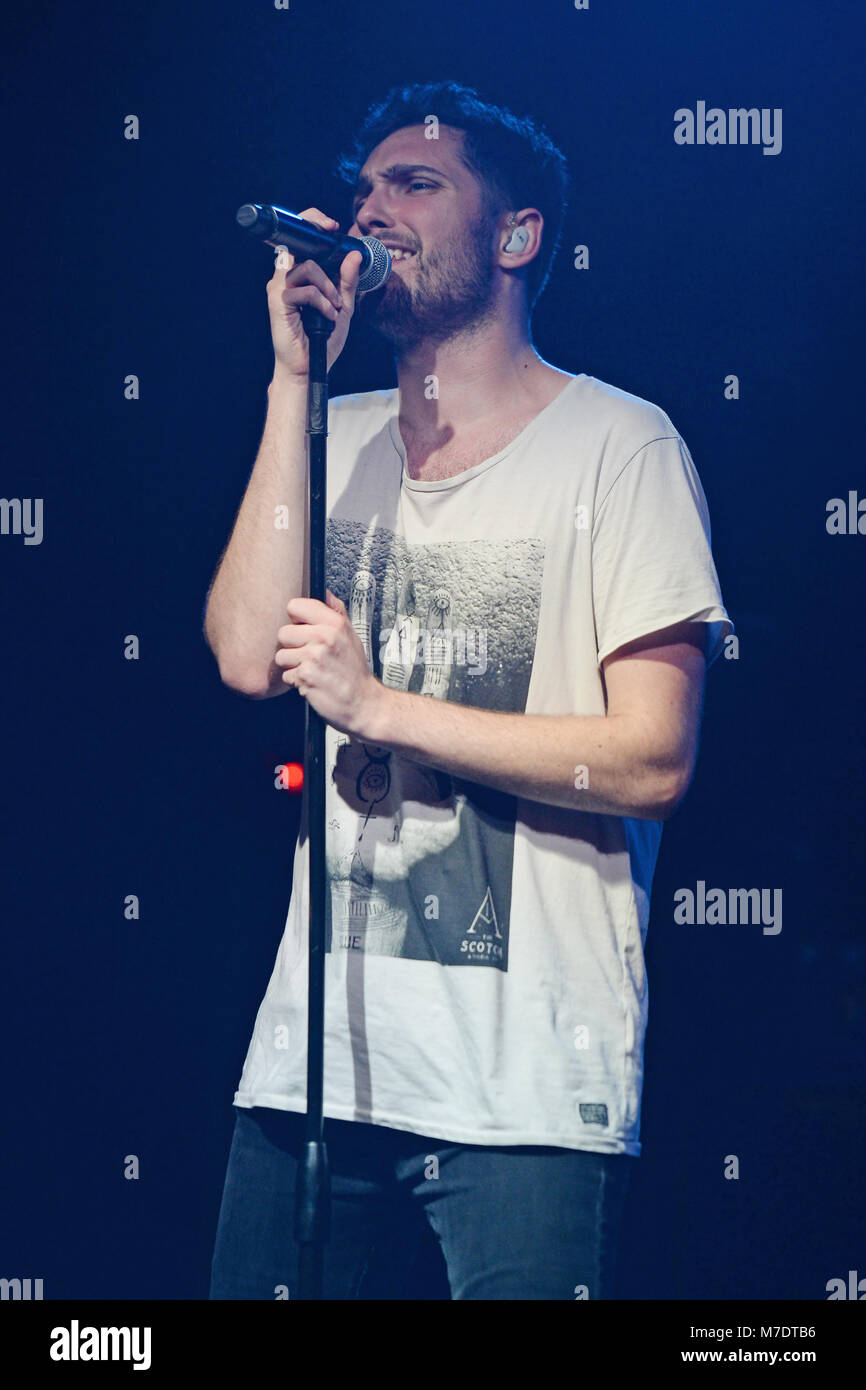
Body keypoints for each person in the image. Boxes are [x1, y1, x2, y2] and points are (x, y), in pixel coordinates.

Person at [203, 80, 733, 1300]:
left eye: (414, 184)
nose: (367, 210)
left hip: (524, 1099)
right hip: (314, 1079)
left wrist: (380, 709)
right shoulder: (334, 431)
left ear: (516, 236)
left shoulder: (619, 446)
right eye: (363, 187)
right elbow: (242, 653)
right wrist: (293, 383)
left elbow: (650, 758)